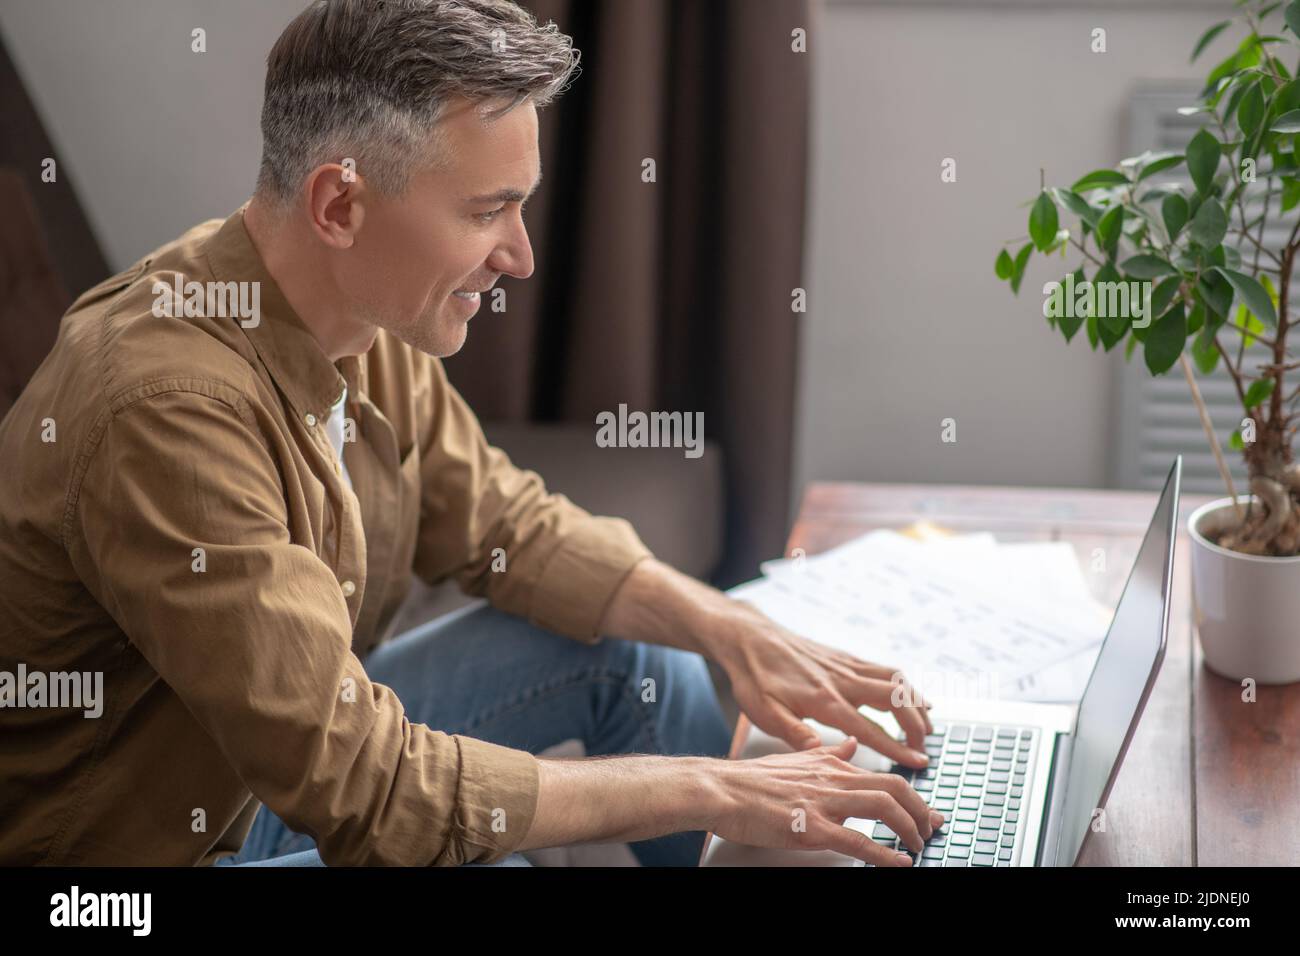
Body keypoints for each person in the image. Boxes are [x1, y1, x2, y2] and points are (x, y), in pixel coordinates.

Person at [0, 0, 940, 868]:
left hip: (253, 776)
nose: (520, 255)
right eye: (487, 210)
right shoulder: (166, 411)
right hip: (133, 863)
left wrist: (734, 628)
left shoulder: (362, 314)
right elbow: (363, 784)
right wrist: (717, 787)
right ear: (339, 205)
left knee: (636, 656)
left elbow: (505, 524)